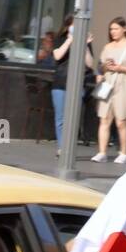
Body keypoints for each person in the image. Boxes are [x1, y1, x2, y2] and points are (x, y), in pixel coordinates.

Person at [91, 17, 126, 164]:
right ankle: (102, 152)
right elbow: (100, 67)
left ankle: (124, 153)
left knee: (121, 121)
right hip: (107, 85)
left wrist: (121, 68)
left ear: (124, 28)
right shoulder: (108, 47)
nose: (113, 32)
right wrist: (105, 67)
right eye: (111, 29)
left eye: (116, 29)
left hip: (124, 86)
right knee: (104, 119)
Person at [49, 15, 95, 152]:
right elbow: (57, 56)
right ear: (68, 26)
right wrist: (70, 40)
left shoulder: (85, 42)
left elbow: (90, 64)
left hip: (77, 84)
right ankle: (62, 149)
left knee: (73, 119)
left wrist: (85, 45)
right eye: (74, 25)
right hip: (60, 83)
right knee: (61, 118)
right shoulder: (61, 39)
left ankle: (69, 148)